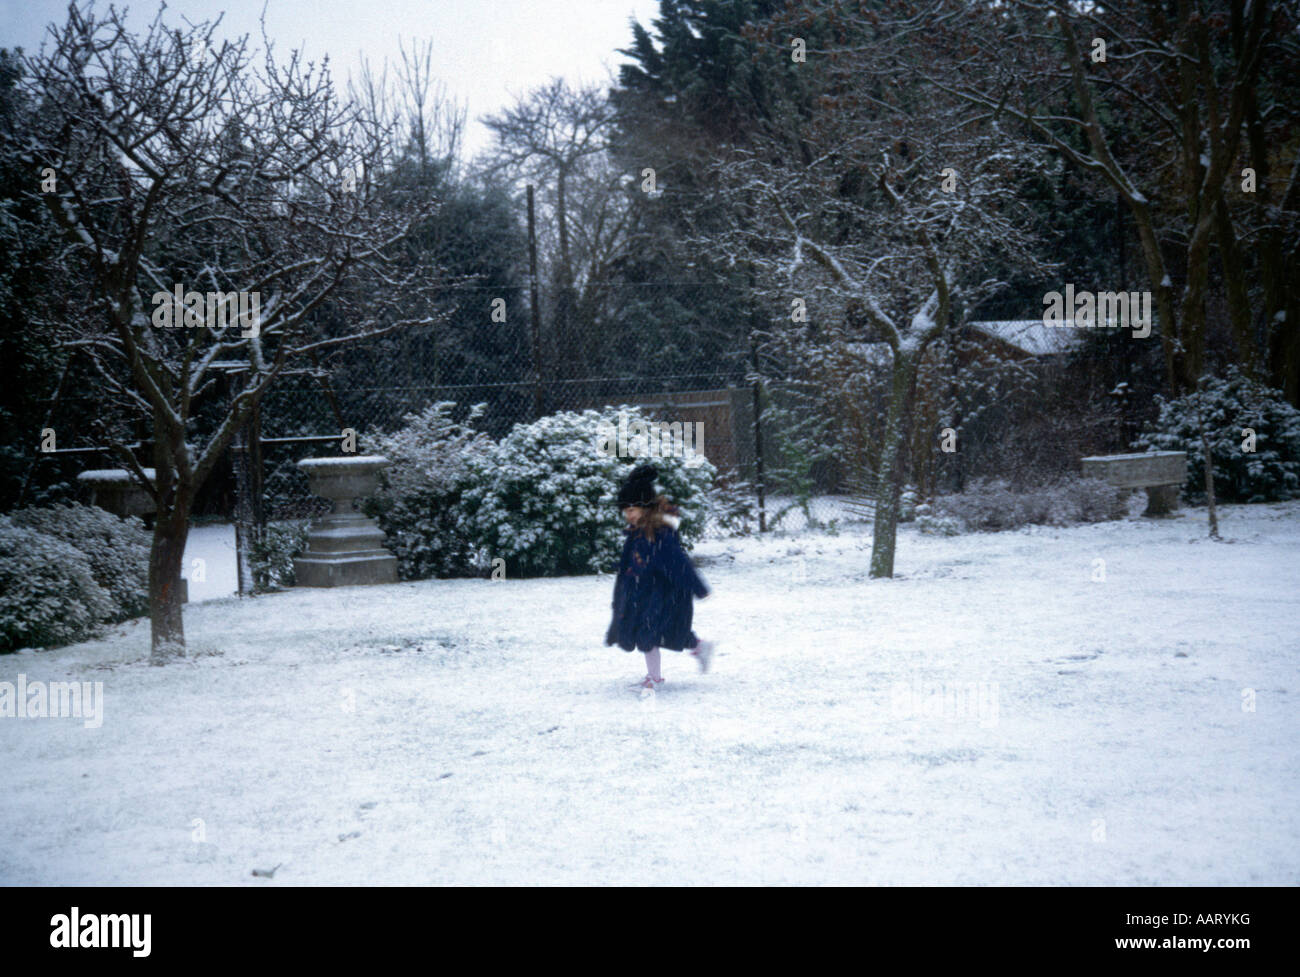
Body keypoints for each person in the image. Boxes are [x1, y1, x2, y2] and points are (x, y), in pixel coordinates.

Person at [605, 464, 715, 691]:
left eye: (632, 510)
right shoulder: (636, 533)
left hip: (661, 593)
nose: (629, 515)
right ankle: (700, 648)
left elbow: (678, 562)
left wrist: (698, 587)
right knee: (657, 632)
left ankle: (653, 679)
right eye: (626, 512)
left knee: (648, 635)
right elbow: (629, 561)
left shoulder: (659, 534)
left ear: (645, 508)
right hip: (642, 592)